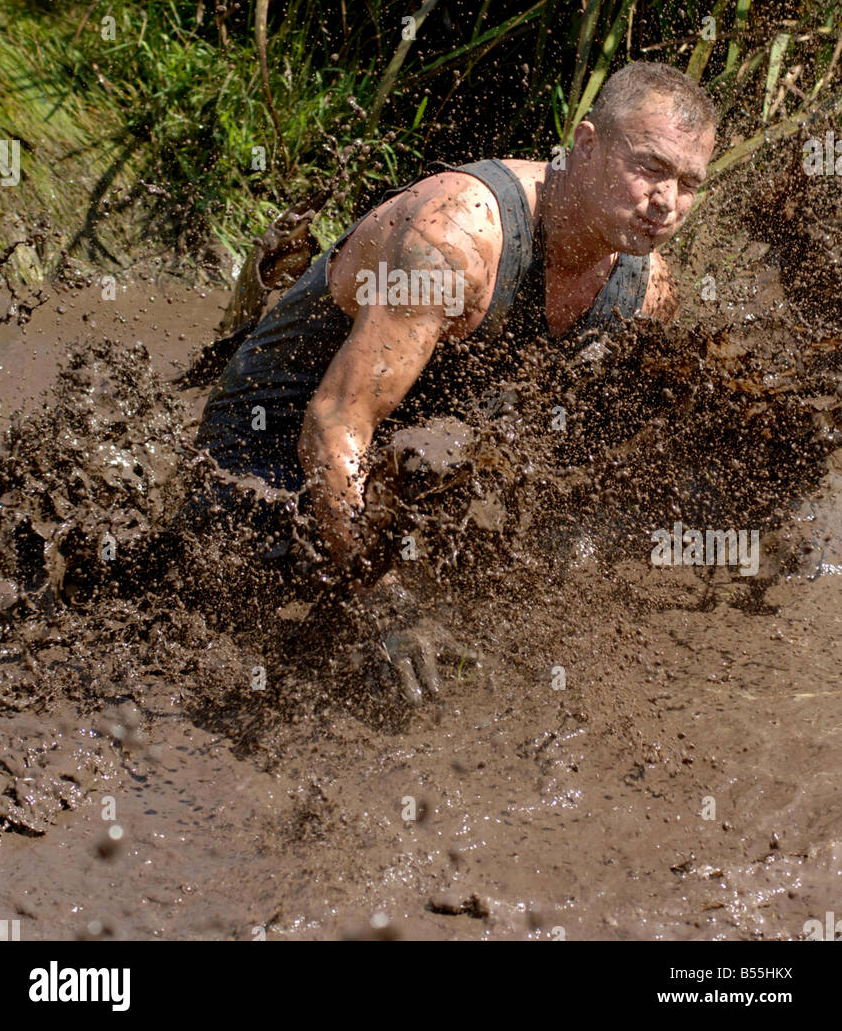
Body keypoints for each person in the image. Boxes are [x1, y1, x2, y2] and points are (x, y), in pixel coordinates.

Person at [192, 61, 716, 700]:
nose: (666, 202)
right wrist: (387, 606)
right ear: (586, 145)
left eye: (689, 182)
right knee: (282, 630)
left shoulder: (647, 291)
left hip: (400, 453)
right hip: (272, 442)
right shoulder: (458, 234)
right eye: (650, 167)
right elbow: (335, 424)